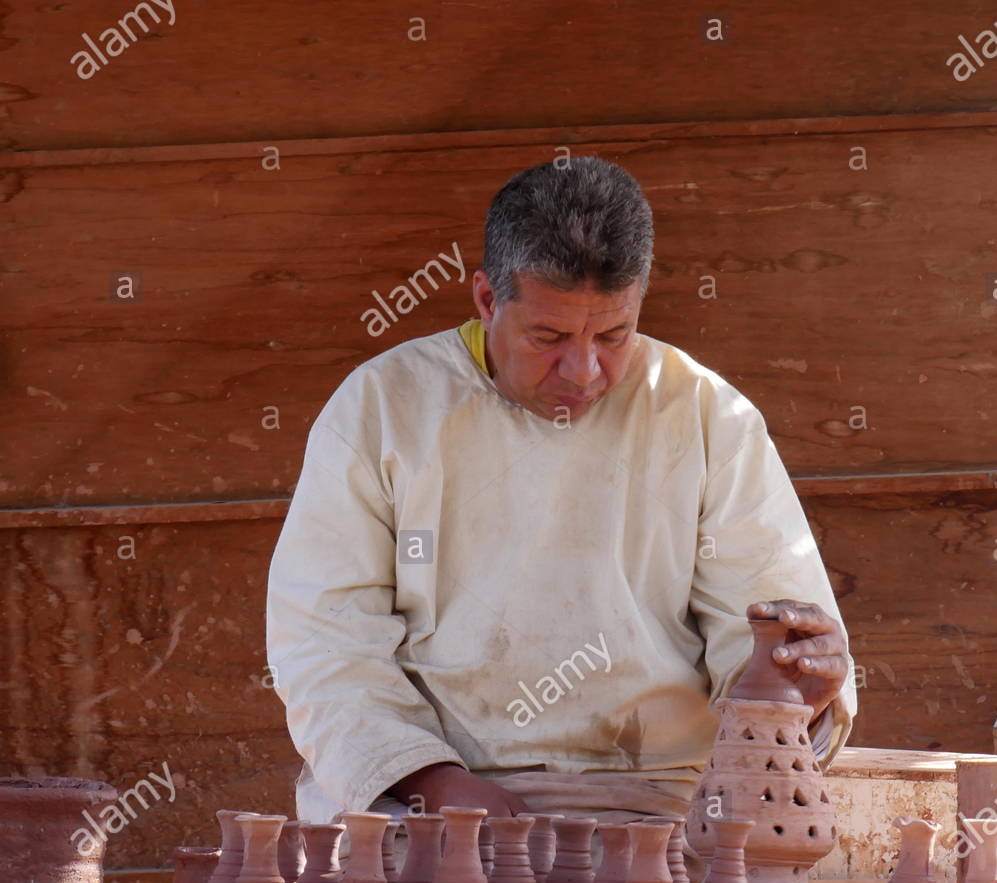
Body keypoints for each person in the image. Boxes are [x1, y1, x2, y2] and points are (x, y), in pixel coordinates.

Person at [266, 156, 856, 838]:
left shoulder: (704, 414)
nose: (584, 371)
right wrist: (429, 781)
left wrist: (800, 695)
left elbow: (765, 632)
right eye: (549, 337)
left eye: (613, 335)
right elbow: (324, 643)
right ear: (487, 301)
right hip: (429, 808)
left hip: (660, 811)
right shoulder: (382, 408)